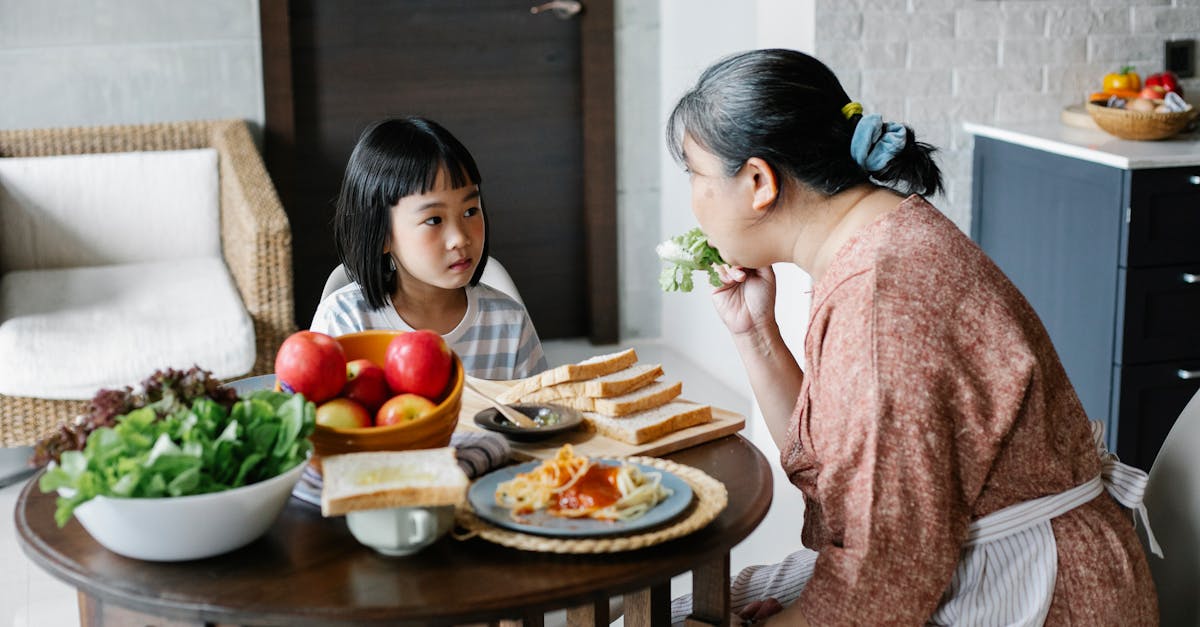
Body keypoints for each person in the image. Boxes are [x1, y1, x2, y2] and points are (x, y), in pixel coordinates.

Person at [665, 49, 1158, 625]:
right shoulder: (878, 236)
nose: (693, 201)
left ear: (758, 181)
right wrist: (755, 332)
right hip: (957, 556)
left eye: (695, 175)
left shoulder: (882, 300)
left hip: (1037, 592)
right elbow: (836, 470)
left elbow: (881, 587)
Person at [311, 116, 548, 380]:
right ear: (382, 235)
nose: (459, 238)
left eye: (470, 211)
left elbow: (537, 414)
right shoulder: (345, 321)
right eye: (434, 220)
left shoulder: (509, 324)